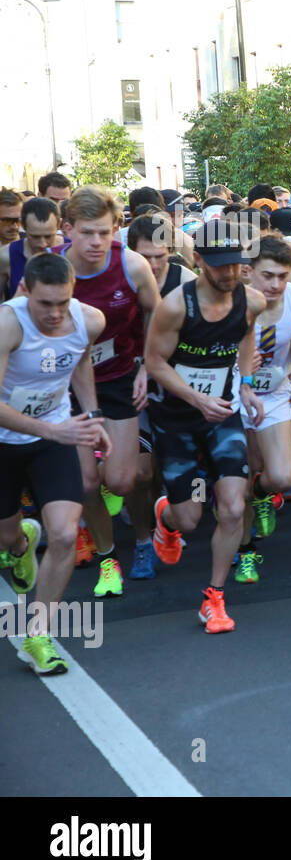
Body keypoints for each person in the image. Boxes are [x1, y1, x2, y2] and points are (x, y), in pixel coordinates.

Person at [145, 220, 266, 632]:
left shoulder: (251, 301)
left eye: (235, 264)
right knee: (191, 519)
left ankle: (214, 597)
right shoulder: (176, 306)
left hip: (222, 412)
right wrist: (196, 398)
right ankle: (167, 518)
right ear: (198, 261)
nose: (229, 273)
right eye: (219, 265)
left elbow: (247, 337)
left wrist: (246, 385)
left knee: (234, 504)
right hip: (176, 417)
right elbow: (155, 362)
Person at [0, 253, 110, 673]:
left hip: (53, 437)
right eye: (45, 304)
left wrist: (93, 414)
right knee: (4, 536)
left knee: (64, 534)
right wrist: (55, 431)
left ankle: (38, 634)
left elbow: (80, 358)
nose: (55, 313)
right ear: (24, 291)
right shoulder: (8, 324)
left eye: (63, 302)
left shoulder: (90, 320)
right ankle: (19, 542)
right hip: (5, 442)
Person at [59, 186, 162, 595]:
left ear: (116, 228)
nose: (97, 242)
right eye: (87, 233)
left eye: (104, 231)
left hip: (121, 375)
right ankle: (107, 559)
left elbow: (156, 310)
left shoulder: (132, 265)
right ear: (67, 230)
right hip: (67, 384)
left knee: (123, 481)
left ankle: (142, 540)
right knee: (85, 484)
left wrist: (146, 367)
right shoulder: (52, 269)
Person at [235, 238, 291, 582]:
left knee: (280, 477)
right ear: (248, 272)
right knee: (241, 478)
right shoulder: (230, 304)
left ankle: (261, 493)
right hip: (233, 396)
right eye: (268, 276)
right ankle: (246, 552)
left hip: (275, 393)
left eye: (283, 276)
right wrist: (235, 362)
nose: (276, 285)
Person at [3, 196, 63, 301]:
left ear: (59, 224)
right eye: (35, 237)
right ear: (22, 225)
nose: (42, 244)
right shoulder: (6, 256)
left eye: (49, 236)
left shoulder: (72, 250)